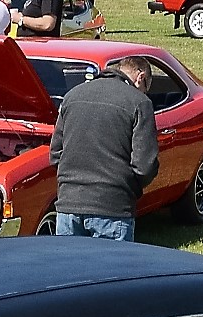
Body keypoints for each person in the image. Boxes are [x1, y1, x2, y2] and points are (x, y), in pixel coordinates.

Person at [48, 56, 158, 242]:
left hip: (68, 205)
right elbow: (145, 165)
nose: (145, 92)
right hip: (113, 207)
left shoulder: (73, 96)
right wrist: (128, 189)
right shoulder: (139, 102)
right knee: (112, 271)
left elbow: (55, 155)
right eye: (146, 87)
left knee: (70, 270)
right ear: (140, 77)